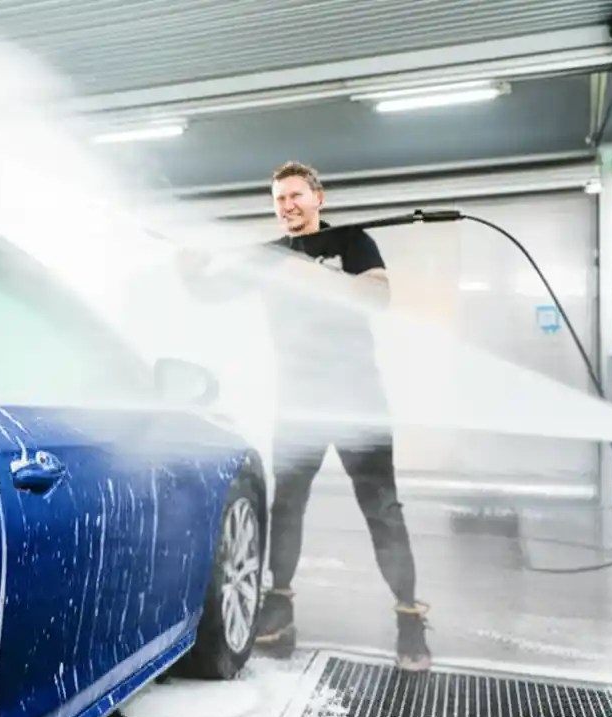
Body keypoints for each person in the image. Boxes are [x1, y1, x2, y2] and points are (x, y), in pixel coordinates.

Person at [176, 161, 431, 672]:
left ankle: (410, 618)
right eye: (279, 199)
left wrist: (309, 273)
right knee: (286, 505)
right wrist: (191, 268)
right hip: (297, 401)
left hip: (358, 400)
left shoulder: (353, 242)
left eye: (295, 195)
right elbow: (209, 292)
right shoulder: (267, 257)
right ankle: (280, 606)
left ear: (319, 197)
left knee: (381, 509)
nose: (287, 206)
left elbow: (377, 298)